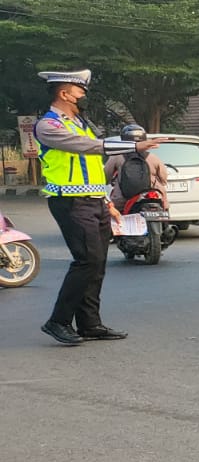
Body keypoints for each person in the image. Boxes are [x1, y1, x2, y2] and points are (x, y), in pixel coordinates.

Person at [33, 69, 157, 345]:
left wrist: (106, 201)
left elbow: (92, 169)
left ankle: (90, 323)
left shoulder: (80, 122)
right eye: (80, 91)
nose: (84, 96)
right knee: (86, 260)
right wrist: (134, 147)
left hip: (93, 200)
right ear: (65, 93)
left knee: (97, 263)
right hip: (70, 201)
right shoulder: (49, 125)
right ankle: (58, 321)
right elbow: (88, 148)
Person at [106, 124, 169, 212]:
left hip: (123, 198)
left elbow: (106, 175)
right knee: (164, 205)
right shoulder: (153, 157)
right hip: (152, 194)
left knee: (113, 212)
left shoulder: (116, 156)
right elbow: (163, 179)